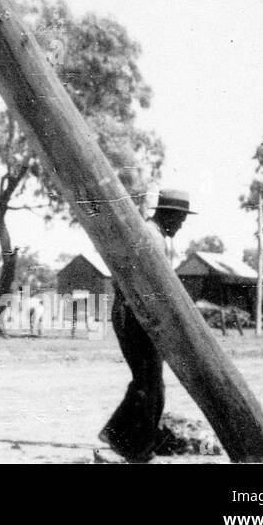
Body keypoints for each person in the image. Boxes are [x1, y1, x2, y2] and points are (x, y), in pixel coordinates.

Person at [98, 188, 195, 463]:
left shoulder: (157, 235)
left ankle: (123, 437)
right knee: (150, 383)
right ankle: (130, 444)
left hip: (138, 314)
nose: (182, 224)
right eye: (181, 218)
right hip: (135, 314)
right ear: (169, 214)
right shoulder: (151, 236)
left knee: (149, 382)